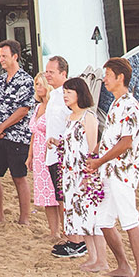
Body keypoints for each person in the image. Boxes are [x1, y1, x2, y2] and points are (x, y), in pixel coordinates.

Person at [87, 57, 139, 277]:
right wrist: (95, 154)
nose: (104, 79)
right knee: (103, 221)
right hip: (109, 171)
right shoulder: (116, 104)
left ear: (119, 77)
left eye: (107, 75)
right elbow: (109, 138)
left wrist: (99, 160)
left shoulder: (131, 106)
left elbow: (125, 143)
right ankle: (124, 265)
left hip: (123, 171)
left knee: (129, 220)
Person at [0, 40, 34, 226]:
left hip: (18, 136)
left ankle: (24, 218)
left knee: (18, 176)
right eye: (0, 56)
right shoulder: (1, 80)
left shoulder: (26, 80)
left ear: (15, 56)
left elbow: (24, 109)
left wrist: (2, 127)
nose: (1, 59)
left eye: (4, 56)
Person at [56, 77, 98, 264]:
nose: (65, 95)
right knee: (70, 206)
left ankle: (83, 244)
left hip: (81, 170)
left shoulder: (87, 118)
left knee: (83, 208)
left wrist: (89, 173)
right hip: (68, 169)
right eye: (64, 92)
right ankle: (73, 240)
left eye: (69, 92)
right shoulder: (69, 118)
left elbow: (92, 147)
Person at [43, 56, 71, 254]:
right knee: (59, 196)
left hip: (64, 154)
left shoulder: (68, 96)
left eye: (51, 72)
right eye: (47, 71)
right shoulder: (53, 95)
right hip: (52, 153)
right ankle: (64, 232)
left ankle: (71, 235)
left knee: (65, 197)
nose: (47, 75)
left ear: (63, 74)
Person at [29, 72, 60, 240]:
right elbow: (34, 133)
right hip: (38, 153)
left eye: (40, 84)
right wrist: (30, 156)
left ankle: (64, 231)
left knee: (56, 193)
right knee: (46, 194)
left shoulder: (53, 107)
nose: (37, 87)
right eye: (36, 84)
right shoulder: (37, 107)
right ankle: (53, 231)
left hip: (51, 151)